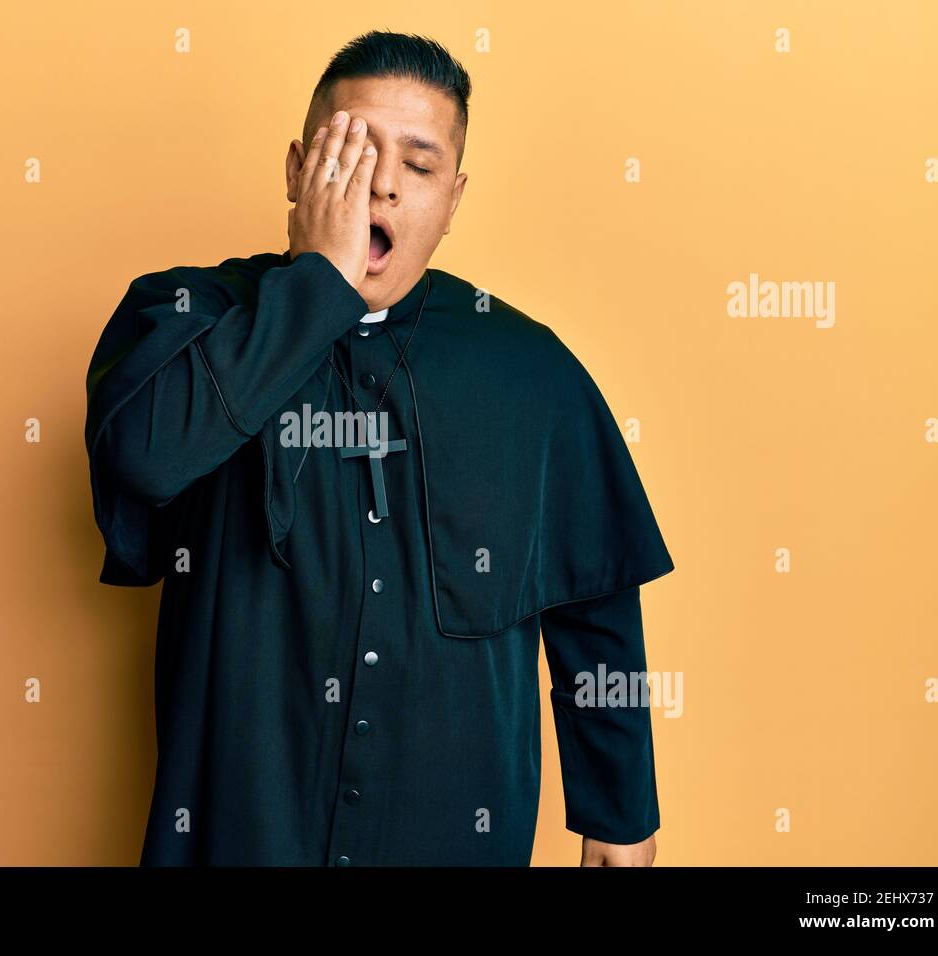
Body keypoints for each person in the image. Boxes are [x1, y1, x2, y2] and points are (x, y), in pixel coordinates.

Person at [85, 30, 675, 866]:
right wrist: (318, 282)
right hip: (239, 831)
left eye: (419, 166)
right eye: (353, 153)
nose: (384, 186)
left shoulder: (530, 370)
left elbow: (597, 603)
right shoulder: (187, 317)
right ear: (298, 170)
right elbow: (144, 457)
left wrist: (620, 815)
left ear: (455, 196)